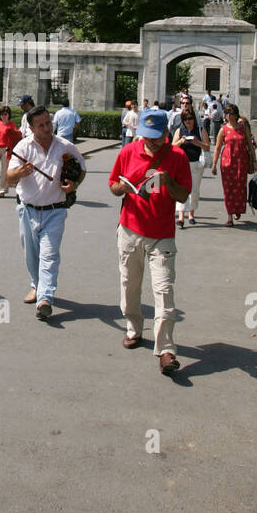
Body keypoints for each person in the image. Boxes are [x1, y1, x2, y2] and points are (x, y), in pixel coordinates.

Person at [108, 107, 190, 372]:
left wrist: (168, 183)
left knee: (164, 290)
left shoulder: (177, 157)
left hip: (162, 235)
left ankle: (166, 349)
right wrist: (123, 186)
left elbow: (182, 196)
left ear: (166, 133)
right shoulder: (128, 151)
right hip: (130, 230)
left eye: (156, 136)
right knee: (129, 284)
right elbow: (113, 186)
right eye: (146, 136)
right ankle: (133, 327)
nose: (151, 141)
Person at [6, 105, 86, 321]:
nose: (46, 128)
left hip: (55, 210)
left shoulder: (65, 146)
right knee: (31, 255)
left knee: (49, 255)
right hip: (27, 210)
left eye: (48, 123)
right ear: (31, 128)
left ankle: (45, 298)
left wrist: (74, 184)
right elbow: (9, 177)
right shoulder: (23, 147)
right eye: (41, 125)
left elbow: (82, 168)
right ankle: (36, 284)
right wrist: (19, 172)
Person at [212, 103, 257, 226]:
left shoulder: (243, 128)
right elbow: (217, 148)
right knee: (228, 189)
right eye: (226, 113)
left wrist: (254, 161)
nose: (228, 116)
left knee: (240, 187)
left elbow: (250, 145)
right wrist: (214, 164)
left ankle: (237, 209)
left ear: (236, 115)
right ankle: (229, 216)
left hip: (241, 162)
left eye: (230, 113)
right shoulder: (223, 130)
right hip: (227, 163)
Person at [171, 99, 210, 226]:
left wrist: (197, 142)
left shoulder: (200, 130)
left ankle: (191, 214)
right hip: (182, 164)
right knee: (182, 190)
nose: (188, 122)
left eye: (190, 119)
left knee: (194, 190)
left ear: (194, 119)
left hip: (196, 164)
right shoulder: (179, 131)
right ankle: (181, 216)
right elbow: (172, 146)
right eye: (186, 119)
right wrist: (181, 142)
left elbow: (207, 146)